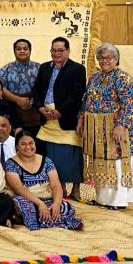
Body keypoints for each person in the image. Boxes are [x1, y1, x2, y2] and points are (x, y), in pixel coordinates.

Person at [78, 43, 133, 208]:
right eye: (101, 57)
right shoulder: (95, 77)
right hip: (96, 129)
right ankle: (102, 199)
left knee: (115, 162)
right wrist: (81, 118)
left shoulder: (123, 78)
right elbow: (86, 100)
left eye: (109, 57)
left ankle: (117, 201)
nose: (105, 60)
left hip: (116, 129)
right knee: (100, 162)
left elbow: (130, 104)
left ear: (116, 60)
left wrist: (122, 125)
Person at [33, 37, 86, 201]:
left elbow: (77, 94)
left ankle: (76, 190)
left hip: (67, 118)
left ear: (68, 51)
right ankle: (60, 189)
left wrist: (60, 111)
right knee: (54, 155)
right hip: (47, 118)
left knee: (72, 154)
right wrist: (40, 107)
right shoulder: (43, 68)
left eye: (60, 50)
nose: (56, 53)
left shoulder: (77, 69)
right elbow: (36, 90)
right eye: (53, 50)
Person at [6, 131, 82, 230]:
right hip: (27, 198)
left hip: (47, 197)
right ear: (17, 147)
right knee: (28, 208)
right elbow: (19, 189)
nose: (28, 147)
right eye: (23, 144)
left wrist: (57, 204)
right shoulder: (11, 164)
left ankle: (51, 221)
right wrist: (40, 203)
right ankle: (52, 223)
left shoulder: (46, 161)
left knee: (65, 207)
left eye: (31, 143)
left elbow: (55, 185)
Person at [0, 38, 41, 136]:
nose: (22, 51)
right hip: (12, 112)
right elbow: (0, 88)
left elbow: (44, 88)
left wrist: (31, 101)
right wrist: (18, 100)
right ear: (14, 51)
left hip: (35, 113)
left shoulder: (39, 68)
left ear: (30, 51)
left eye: (25, 48)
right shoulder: (5, 69)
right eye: (19, 49)